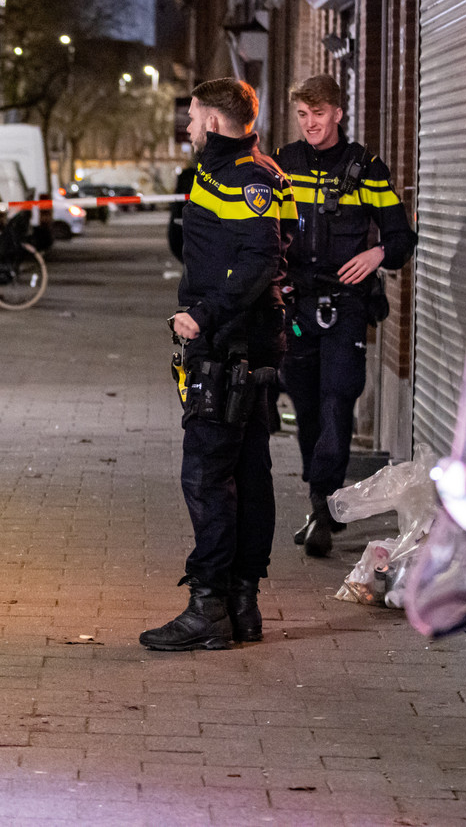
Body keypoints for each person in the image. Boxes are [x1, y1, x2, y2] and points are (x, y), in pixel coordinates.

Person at [140, 78, 289, 652]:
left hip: (230, 347)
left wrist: (204, 314)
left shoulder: (247, 178)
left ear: (218, 122)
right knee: (247, 473)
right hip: (245, 344)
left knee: (207, 475)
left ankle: (208, 605)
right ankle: (240, 605)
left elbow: (260, 260)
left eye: (195, 117)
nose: (188, 126)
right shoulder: (252, 171)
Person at [274, 75, 417, 558]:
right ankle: (320, 499)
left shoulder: (366, 168)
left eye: (318, 114)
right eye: (302, 115)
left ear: (338, 112)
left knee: (337, 401)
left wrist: (377, 254)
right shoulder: (283, 164)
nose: (310, 123)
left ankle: (322, 507)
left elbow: (401, 238)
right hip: (297, 306)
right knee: (307, 407)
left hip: (347, 306)